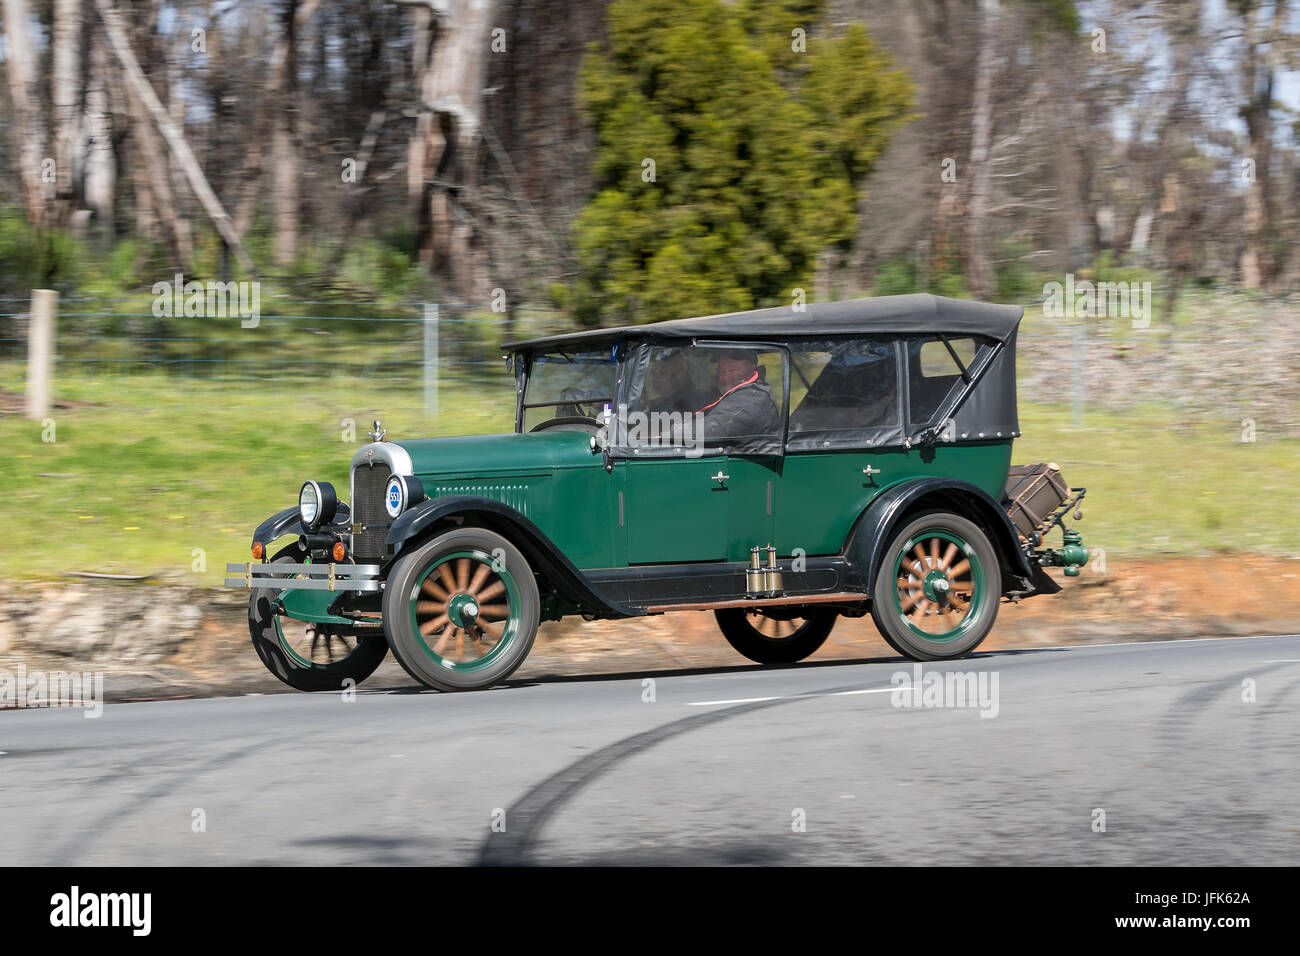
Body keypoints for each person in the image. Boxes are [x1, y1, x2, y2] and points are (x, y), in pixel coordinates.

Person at [698, 349, 779, 442]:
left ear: (752, 369)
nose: (725, 378)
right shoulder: (720, 394)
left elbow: (714, 429)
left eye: (733, 371)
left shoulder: (753, 399)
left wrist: (677, 431)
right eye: (722, 371)